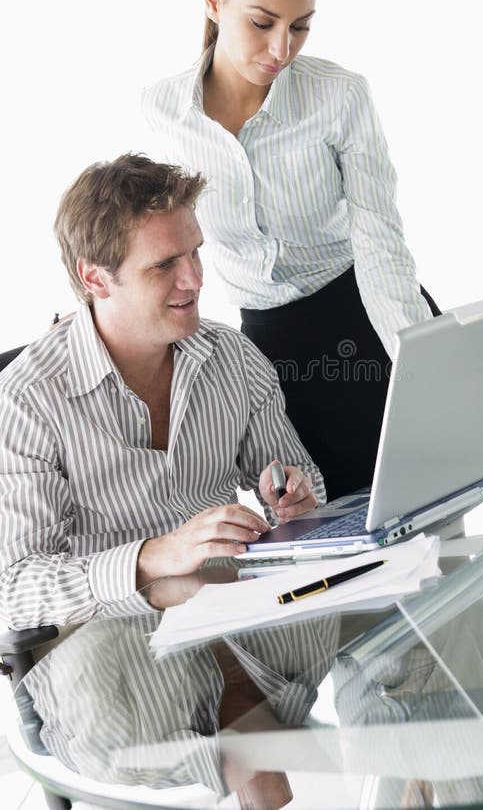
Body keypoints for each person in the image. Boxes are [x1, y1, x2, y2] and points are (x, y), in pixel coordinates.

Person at [142, 0, 436, 502]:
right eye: (262, 22)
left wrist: (424, 364)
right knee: (322, 535)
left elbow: (381, 244)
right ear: (213, 0)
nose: (282, 48)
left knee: (434, 523)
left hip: (368, 322)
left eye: (300, 26)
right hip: (271, 357)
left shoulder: (339, 95)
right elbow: (157, 247)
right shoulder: (164, 113)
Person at [0, 153, 325, 630]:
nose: (194, 280)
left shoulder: (233, 357)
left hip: (235, 610)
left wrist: (296, 499)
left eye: (195, 252)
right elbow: (15, 589)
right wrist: (155, 555)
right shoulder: (26, 400)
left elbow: (303, 485)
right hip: (110, 638)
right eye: (164, 265)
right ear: (95, 278)